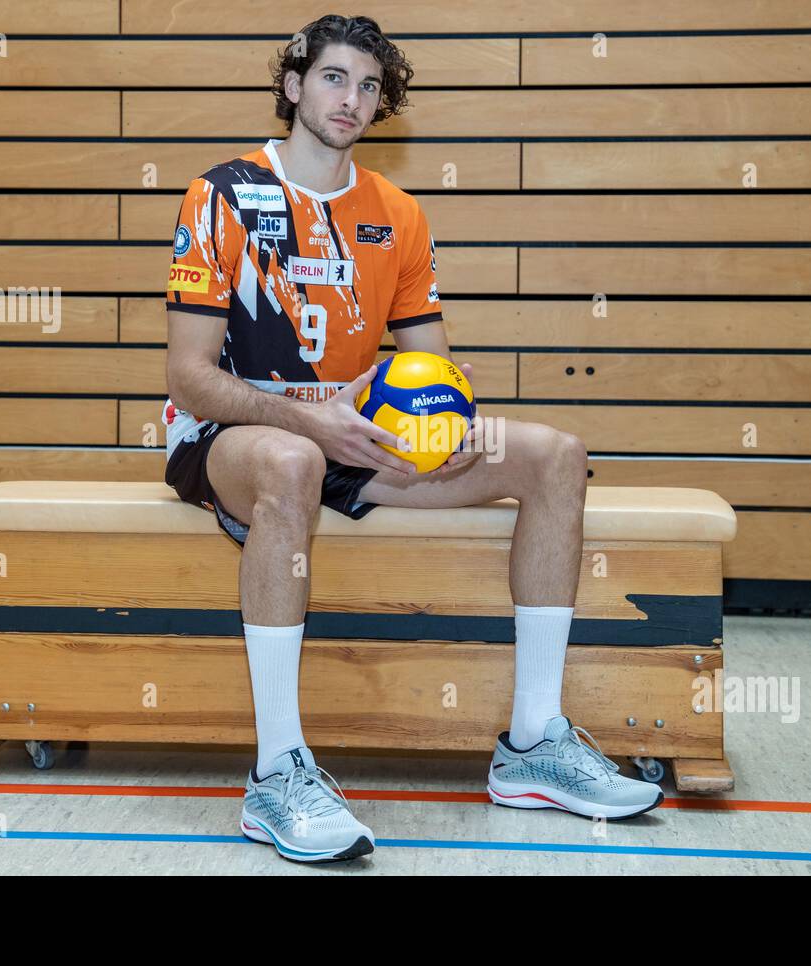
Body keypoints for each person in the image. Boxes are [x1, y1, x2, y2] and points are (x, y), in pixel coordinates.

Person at [162, 14, 663, 864]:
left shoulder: (396, 214)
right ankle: (277, 775)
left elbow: (427, 365)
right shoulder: (223, 195)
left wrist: (445, 432)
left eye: (367, 86)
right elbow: (189, 376)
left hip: (359, 443)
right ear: (293, 85)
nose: (350, 99)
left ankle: (535, 744)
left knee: (554, 454)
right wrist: (309, 418)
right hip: (236, 438)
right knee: (292, 458)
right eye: (332, 78)